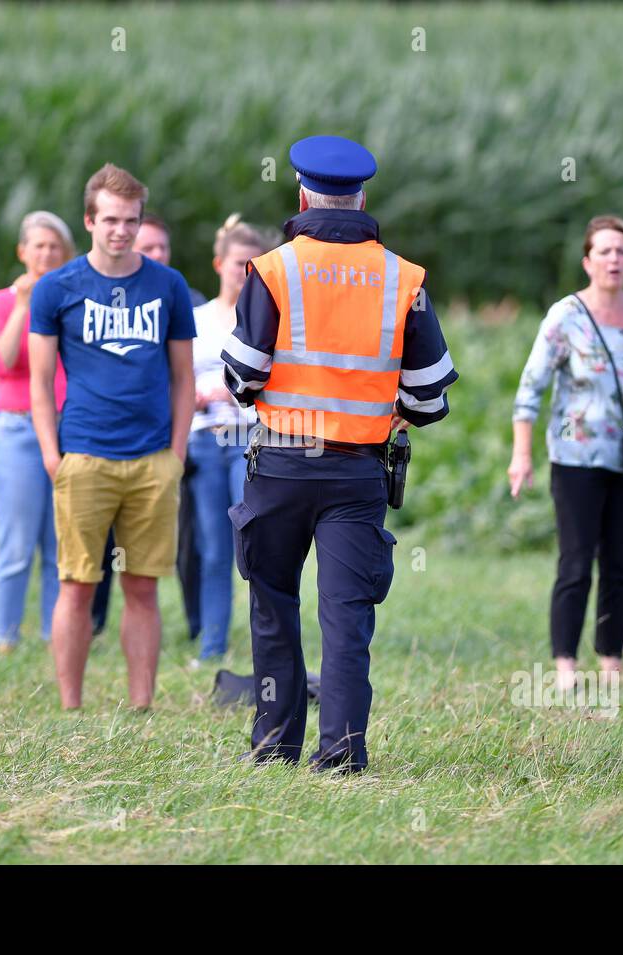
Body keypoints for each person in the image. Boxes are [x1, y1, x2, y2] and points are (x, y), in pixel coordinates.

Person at [222, 135, 458, 774]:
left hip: (280, 466)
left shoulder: (273, 269)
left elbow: (242, 376)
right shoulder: (403, 276)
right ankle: (343, 756)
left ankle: (274, 748)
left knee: (274, 604)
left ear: (301, 192)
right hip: (357, 472)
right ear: (362, 197)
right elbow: (431, 397)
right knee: (347, 624)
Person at [29, 163, 196, 710]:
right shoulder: (56, 288)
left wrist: (176, 452)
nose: (120, 230)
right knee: (77, 585)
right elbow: (38, 380)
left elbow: (183, 377)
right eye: (109, 220)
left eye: (130, 220)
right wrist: (54, 455)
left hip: (152, 460)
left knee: (143, 587)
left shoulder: (168, 286)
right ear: (89, 221)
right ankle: (70, 706)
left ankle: (141, 704)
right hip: (84, 455)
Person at [510, 216, 623, 688]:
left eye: (622, 252)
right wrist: (521, 455)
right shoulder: (566, 316)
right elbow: (531, 389)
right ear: (588, 261)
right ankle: (565, 662)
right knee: (577, 560)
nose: (614, 259)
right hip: (578, 459)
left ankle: (611, 660)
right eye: (604, 251)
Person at [0, 210, 75, 652]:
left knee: (61, 545)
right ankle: (4, 637)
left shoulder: (73, 301)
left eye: (55, 246)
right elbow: (0, 361)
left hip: (68, 430)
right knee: (17, 543)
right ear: (23, 252)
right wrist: (22, 304)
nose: (46, 253)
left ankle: (55, 634)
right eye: (38, 245)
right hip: (18, 432)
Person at [188, 214, 269, 661]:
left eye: (253, 264)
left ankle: (266, 647)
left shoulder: (265, 320)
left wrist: (234, 393)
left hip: (249, 443)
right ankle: (211, 646)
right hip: (204, 441)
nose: (245, 272)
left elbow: (275, 387)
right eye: (239, 263)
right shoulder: (197, 319)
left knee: (255, 547)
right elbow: (178, 378)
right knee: (212, 548)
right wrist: (194, 399)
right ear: (219, 264)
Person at [134, 212, 206, 644]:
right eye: (148, 248)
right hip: (129, 436)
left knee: (189, 541)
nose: (157, 255)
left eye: (162, 247)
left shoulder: (189, 298)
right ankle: (101, 621)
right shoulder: (114, 296)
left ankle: (197, 625)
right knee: (113, 545)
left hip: (182, 438)